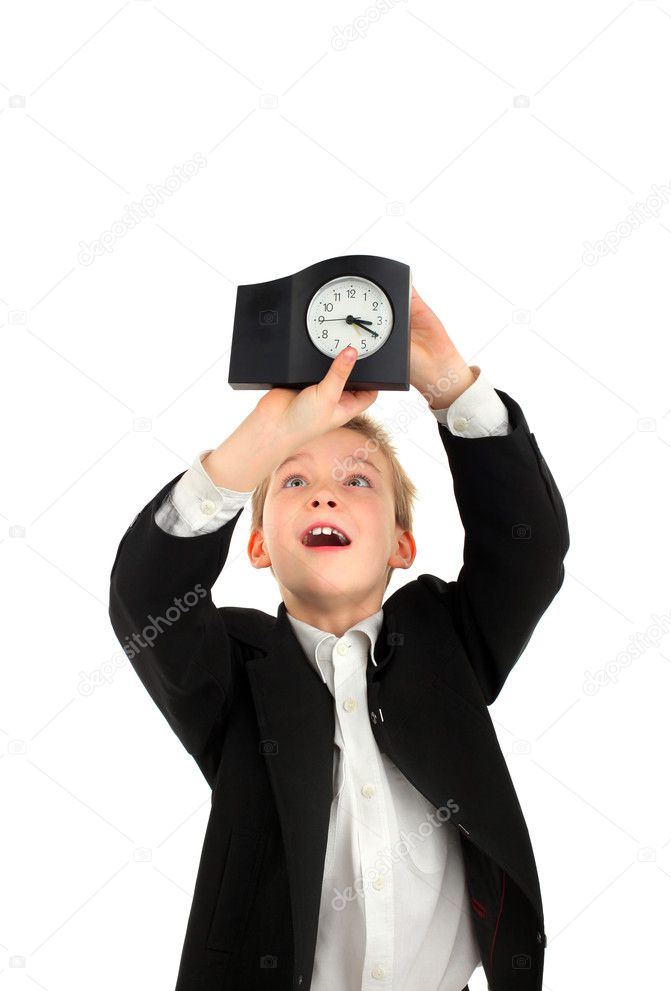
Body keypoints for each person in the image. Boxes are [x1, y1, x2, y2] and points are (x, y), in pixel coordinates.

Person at [109, 285, 569, 991]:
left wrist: (448, 383)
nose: (326, 493)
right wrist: (264, 438)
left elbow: (529, 548)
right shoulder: (233, 675)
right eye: (295, 480)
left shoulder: (449, 641)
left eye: (358, 480)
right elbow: (148, 595)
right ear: (258, 544)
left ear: (402, 543)